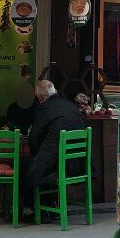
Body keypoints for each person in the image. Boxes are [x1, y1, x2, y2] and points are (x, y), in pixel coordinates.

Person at [21, 80, 84, 211]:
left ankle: (39, 211)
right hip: (78, 164)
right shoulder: (72, 106)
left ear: (39, 97)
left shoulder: (45, 109)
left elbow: (33, 139)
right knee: (44, 160)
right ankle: (52, 206)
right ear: (54, 91)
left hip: (58, 166)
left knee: (26, 166)